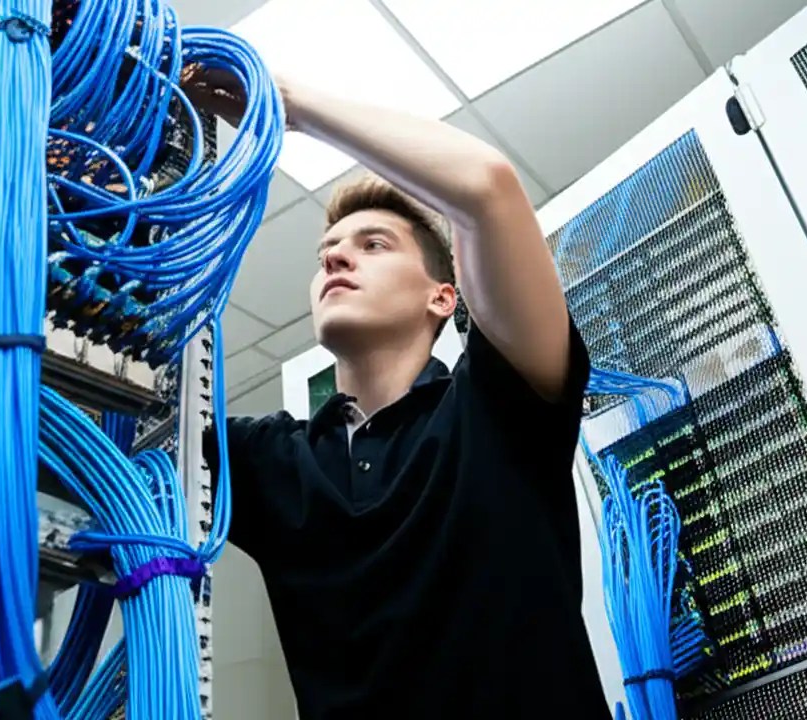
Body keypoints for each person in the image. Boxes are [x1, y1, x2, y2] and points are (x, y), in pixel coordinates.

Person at [195, 71, 610, 719]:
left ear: (442, 298)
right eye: (326, 251)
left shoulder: (498, 407)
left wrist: (295, 104)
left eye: (372, 245)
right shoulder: (273, 460)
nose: (334, 260)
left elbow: (486, 188)